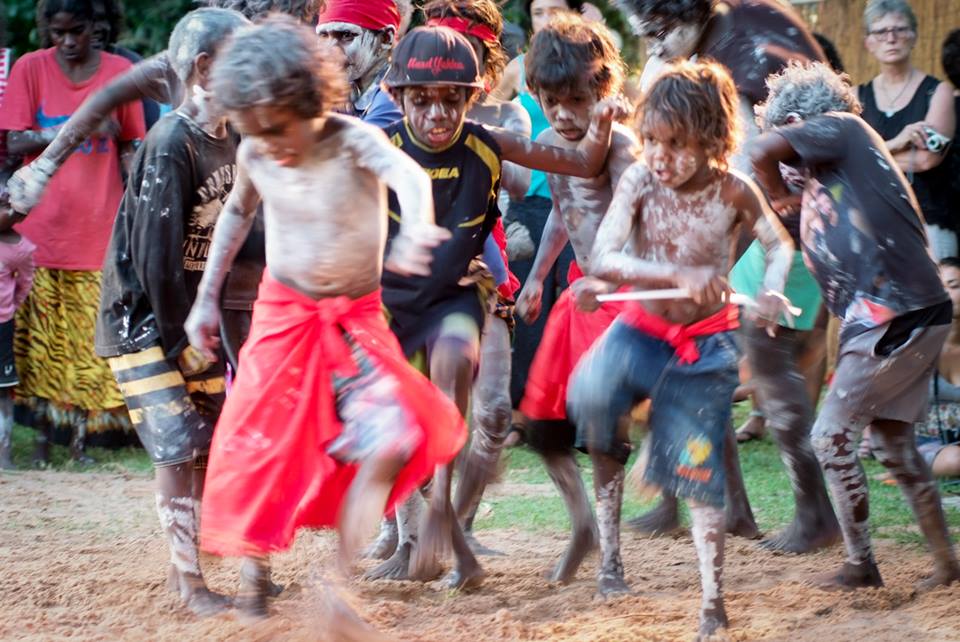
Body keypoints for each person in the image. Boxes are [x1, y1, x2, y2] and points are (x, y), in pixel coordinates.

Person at [183, 16, 466, 619]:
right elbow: (235, 216)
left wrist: (416, 223)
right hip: (282, 321)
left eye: (280, 128)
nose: (272, 145)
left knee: (392, 438)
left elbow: (409, 176)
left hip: (354, 326)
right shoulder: (257, 146)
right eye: (255, 131)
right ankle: (254, 579)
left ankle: (337, 579)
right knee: (261, 447)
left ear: (309, 98)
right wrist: (207, 297)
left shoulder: (353, 141)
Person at [375, 25, 622, 589]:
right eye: (422, 101)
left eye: (451, 100)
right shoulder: (381, 154)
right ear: (398, 99)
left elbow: (582, 164)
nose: (437, 115)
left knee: (452, 409)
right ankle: (448, 548)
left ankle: (445, 531)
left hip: (461, 301)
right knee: (406, 436)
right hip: (396, 311)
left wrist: (605, 117)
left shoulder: (490, 142)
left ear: (472, 95)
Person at [566, 61, 794, 641]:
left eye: (676, 144)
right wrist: (667, 271)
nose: (660, 156)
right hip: (638, 331)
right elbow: (605, 258)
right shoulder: (640, 180)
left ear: (713, 140)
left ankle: (713, 606)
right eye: (651, 141)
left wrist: (770, 290)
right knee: (589, 394)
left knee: (698, 476)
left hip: (704, 349)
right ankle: (612, 559)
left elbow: (779, 244)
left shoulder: (734, 190)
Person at [616, 0, 826, 541]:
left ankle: (815, 515)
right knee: (698, 358)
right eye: (648, 36)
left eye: (662, 31)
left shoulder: (739, 47)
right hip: (765, 224)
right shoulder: (700, 49)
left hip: (786, 225)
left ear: (689, 11)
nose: (656, 45)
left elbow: (750, 167)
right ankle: (727, 508)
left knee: (771, 371)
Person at [751, 61, 960, 591]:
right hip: (894, 315)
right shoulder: (833, 177)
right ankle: (946, 561)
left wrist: (777, 190)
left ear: (797, 123)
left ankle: (861, 565)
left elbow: (759, 154)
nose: (785, 172)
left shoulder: (844, 132)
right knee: (893, 446)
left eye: (784, 143)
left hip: (895, 312)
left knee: (831, 437)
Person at [94, 8, 249, 617]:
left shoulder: (232, 138)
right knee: (179, 443)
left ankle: (196, 569)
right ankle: (190, 584)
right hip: (142, 322)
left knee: (211, 442)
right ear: (205, 69)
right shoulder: (170, 142)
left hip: (188, 320)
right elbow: (156, 258)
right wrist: (177, 335)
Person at [513, 12, 639, 584]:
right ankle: (584, 525)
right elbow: (563, 216)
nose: (563, 115)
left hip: (628, 299)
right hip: (579, 296)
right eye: (550, 101)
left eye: (576, 101)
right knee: (542, 427)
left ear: (602, 90)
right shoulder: (545, 142)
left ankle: (612, 555)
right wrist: (539, 277)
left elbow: (648, 223)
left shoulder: (622, 149)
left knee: (604, 431)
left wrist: (617, 282)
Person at [0, 0, 145, 464]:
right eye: (58, 32)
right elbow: (14, 141)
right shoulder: (30, 68)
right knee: (40, 348)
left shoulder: (122, 72)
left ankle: (80, 443)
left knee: (88, 348)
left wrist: (138, 219)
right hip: (36, 235)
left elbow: (133, 150)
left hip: (98, 233)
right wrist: (74, 129)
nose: (67, 42)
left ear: (95, 26)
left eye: (77, 31)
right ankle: (41, 443)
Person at [418, 0, 532, 560]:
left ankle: (456, 527)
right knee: (422, 408)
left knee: (492, 413)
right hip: (419, 285)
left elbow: (522, 180)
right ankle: (411, 531)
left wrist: (473, 128)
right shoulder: (405, 114)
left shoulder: (506, 119)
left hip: (490, 275)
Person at [491, 0, 601, 411]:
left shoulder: (589, 66)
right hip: (534, 202)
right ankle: (529, 406)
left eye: (557, 9)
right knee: (531, 309)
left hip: (580, 213)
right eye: (539, 11)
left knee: (575, 304)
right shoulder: (519, 69)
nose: (548, 18)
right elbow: (490, 105)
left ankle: (578, 405)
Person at [857, 0, 956, 260]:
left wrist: (868, 157)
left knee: (935, 299)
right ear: (869, 42)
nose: (891, 38)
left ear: (913, 36)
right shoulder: (857, 96)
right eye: (881, 32)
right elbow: (845, 158)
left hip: (928, 221)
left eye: (899, 29)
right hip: (871, 220)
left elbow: (926, 159)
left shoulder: (938, 92)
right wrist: (900, 142)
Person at [314, 0, 408, 128]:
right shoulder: (344, 89)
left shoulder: (395, 96)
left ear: (386, 38)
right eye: (324, 35)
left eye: (346, 35)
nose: (329, 51)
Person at [915, 257, 960, 479]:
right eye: (938, 287)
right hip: (925, 443)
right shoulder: (916, 342)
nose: (945, 293)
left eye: (954, 286)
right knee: (955, 461)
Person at [0, 205, 35, 470]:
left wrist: (10, 308)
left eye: (5, 205)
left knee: (3, 389)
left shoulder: (19, 248)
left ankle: (4, 452)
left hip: (2, 325)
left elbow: (25, 283)